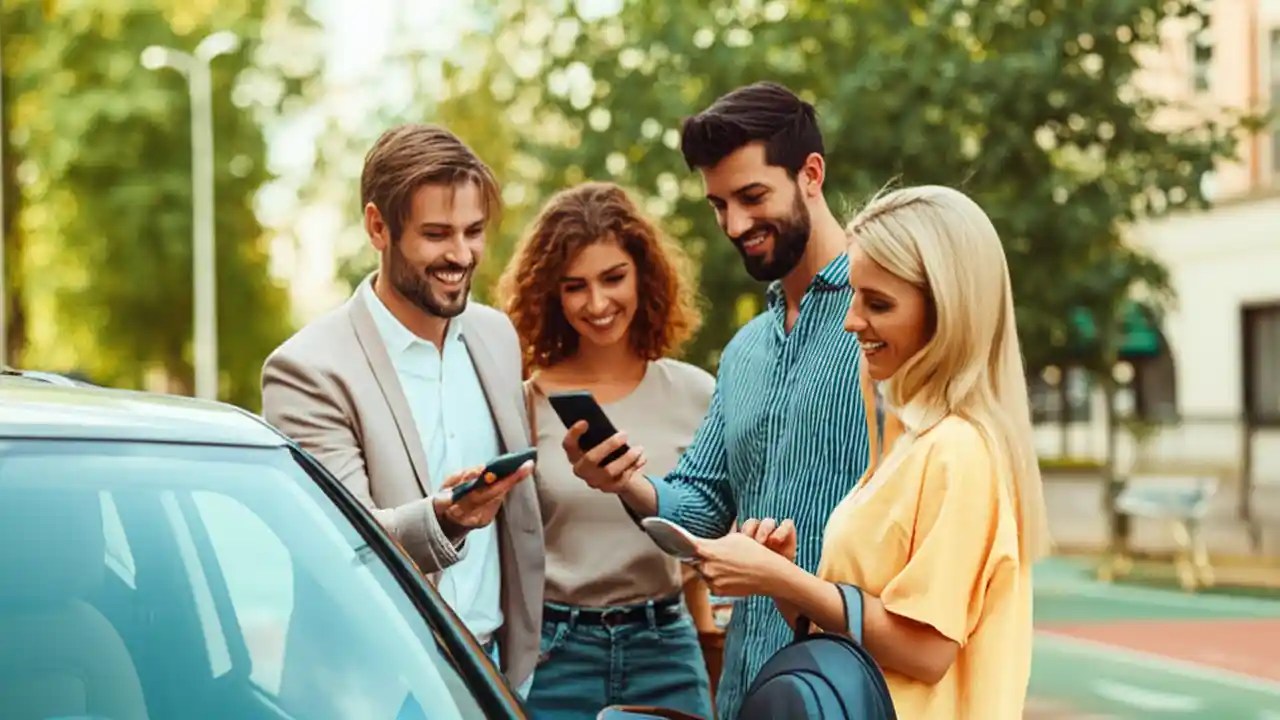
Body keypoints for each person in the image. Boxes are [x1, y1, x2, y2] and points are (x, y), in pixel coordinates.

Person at [561, 83, 874, 719]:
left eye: (753, 197)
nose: (734, 225)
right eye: (718, 205)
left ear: (810, 174)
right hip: (748, 691)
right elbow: (702, 507)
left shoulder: (883, 326)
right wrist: (626, 483)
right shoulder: (744, 351)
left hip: (856, 689)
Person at [689, 185, 1053, 719]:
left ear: (947, 309)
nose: (852, 320)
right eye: (855, 295)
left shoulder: (958, 450)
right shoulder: (911, 439)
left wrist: (782, 580)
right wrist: (782, 577)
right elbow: (862, 634)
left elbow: (926, 652)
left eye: (878, 303)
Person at [261, 124, 544, 695]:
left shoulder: (494, 336)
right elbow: (339, 541)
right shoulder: (308, 369)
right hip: (376, 687)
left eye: (474, 232)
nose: (460, 256)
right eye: (437, 234)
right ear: (377, 227)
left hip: (494, 675)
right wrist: (446, 519)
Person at [495, 181, 715, 719]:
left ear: (644, 273)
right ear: (551, 294)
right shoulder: (523, 402)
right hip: (554, 655)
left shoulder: (697, 393)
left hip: (665, 648)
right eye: (575, 286)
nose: (597, 304)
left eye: (613, 278)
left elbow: (707, 531)